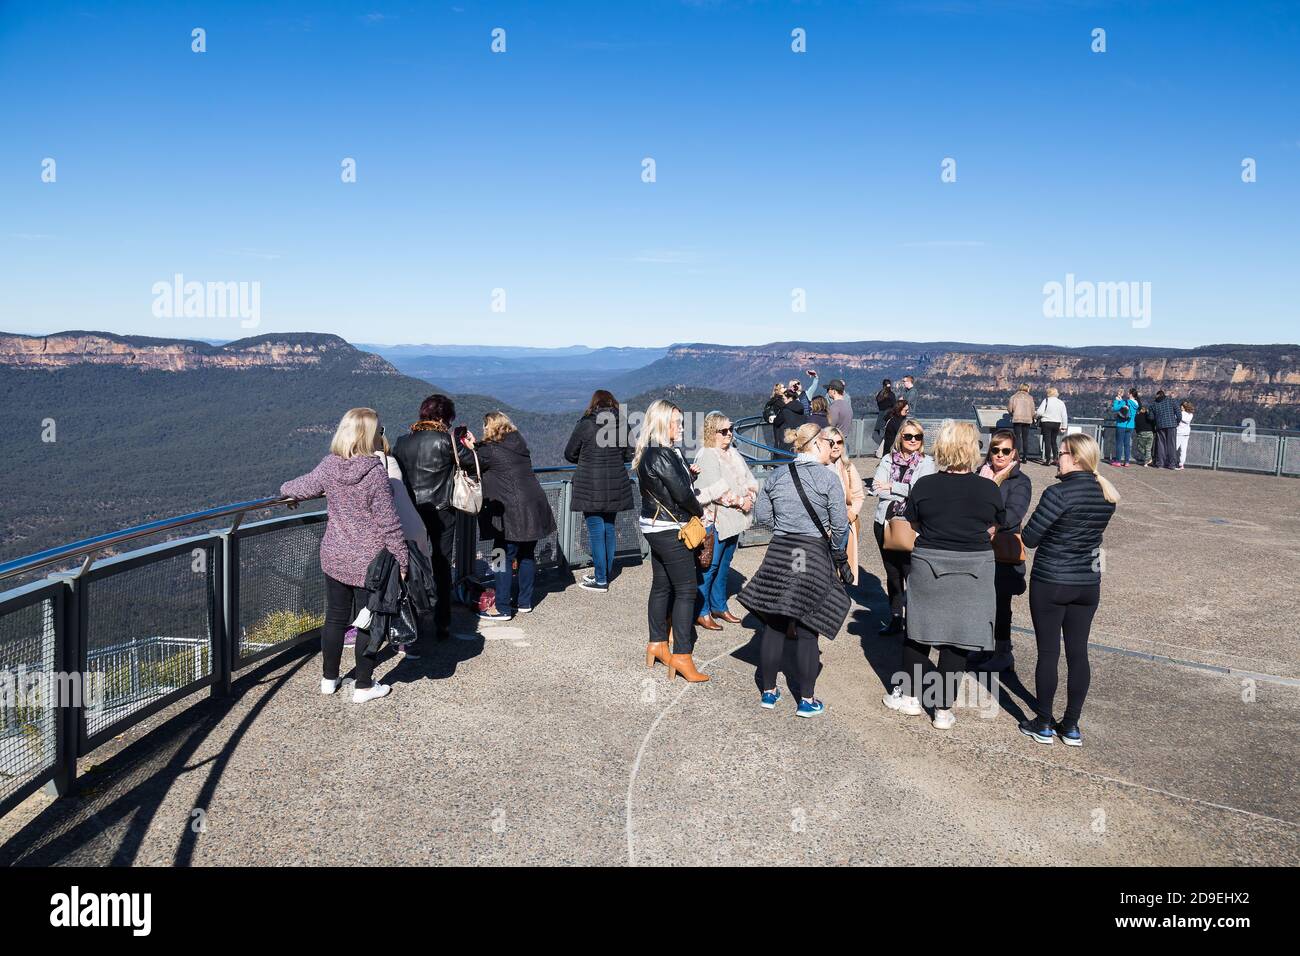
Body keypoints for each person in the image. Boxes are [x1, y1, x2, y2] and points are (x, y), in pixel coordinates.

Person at [281, 408, 409, 704]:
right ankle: (363, 685)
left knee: (336, 618)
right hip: (370, 562)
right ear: (369, 436)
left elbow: (301, 486)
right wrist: (402, 560)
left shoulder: (329, 466)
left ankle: (329, 679)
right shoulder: (375, 473)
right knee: (368, 620)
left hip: (335, 555)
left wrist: (287, 493)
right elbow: (389, 522)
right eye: (379, 431)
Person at [882, 421, 1004, 730]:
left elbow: (914, 523)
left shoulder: (925, 485)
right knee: (957, 639)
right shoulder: (988, 488)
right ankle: (942, 709)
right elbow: (994, 528)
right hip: (974, 568)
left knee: (918, 631)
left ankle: (910, 697)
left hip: (929, 564)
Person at [739, 422, 850, 717]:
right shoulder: (828, 480)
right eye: (829, 443)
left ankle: (769, 693)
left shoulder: (776, 476)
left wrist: (786, 528)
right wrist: (839, 555)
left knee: (774, 625)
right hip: (811, 553)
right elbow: (840, 526)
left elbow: (762, 516)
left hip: (780, 552)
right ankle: (806, 699)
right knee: (807, 628)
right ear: (815, 444)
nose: (833, 449)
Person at [1017, 434, 1119, 747]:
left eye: (1061, 453)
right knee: (1078, 653)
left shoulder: (1057, 493)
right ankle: (1071, 725)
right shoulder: (1105, 495)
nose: (1057, 458)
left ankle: (1044, 722)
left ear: (1074, 457)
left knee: (1049, 652)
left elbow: (1031, 538)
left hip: (1052, 580)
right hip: (1087, 584)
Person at [635, 400, 710, 682]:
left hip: (654, 525)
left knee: (662, 585)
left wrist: (686, 475)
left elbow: (669, 486)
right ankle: (682, 655)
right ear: (661, 423)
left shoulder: (652, 453)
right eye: (675, 422)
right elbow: (681, 495)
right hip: (670, 527)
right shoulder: (663, 454)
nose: (680, 427)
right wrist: (701, 513)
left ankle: (656, 644)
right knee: (687, 589)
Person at [392, 393, 474, 641]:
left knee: (410, 564)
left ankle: (412, 620)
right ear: (444, 417)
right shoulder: (448, 442)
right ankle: (442, 622)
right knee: (441, 564)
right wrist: (469, 444)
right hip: (441, 511)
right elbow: (472, 464)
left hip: (410, 511)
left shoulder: (401, 441)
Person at [462, 412, 557, 621]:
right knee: (526, 555)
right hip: (534, 506)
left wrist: (469, 447)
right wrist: (477, 447)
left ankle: (502, 607)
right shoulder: (518, 443)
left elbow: (471, 462)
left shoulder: (490, 450)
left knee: (500, 556)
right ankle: (524, 602)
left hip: (511, 513)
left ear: (489, 427)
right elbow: (491, 458)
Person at [969, 429, 1031, 672]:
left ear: (1013, 452)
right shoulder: (978, 475)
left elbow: (1014, 514)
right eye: (995, 450)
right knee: (978, 601)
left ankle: (1003, 651)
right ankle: (982, 646)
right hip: (977, 548)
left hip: (1002, 551)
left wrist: (988, 523)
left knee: (1001, 604)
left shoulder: (1020, 481)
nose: (1000, 455)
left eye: (1005, 450)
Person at [693, 412, 759, 629]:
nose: (729, 434)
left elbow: (750, 479)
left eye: (730, 429)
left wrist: (750, 497)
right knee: (709, 566)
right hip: (717, 521)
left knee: (724, 565)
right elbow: (714, 490)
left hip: (735, 521)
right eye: (723, 431)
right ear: (712, 432)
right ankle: (702, 611)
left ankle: (719, 606)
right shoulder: (707, 455)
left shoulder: (733, 453)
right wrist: (742, 502)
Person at [564, 390, 635, 592]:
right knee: (609, 528)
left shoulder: (585, 424)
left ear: (594, 404)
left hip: (590, 485)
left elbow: (569, 453)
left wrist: (587, 458)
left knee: (596, 531)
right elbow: (629, 452)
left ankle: (601, 579)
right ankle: (604, 573)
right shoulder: (621, 423)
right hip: (615, 484)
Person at [869, 418, 934, 635]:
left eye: (918, 437)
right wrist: (903, 488)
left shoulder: (927, 463)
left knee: (911, 573)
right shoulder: (888, 459)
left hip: (912, 525)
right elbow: (877, 488)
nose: (913, 440)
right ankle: (896, 617)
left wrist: (893, 485)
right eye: (908, 436)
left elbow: (921, 492)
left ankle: (916, 623)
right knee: (892, 573)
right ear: (900, 438)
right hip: (885, 523)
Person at [376, 433, 431, 657]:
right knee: (407, 584)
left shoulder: (368, 465)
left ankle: (397, 634)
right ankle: (406, 637)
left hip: (394, 530)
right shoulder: (391, 461)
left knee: (390, 583)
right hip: (413, 526)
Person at [824, 426, 865, 586]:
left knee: (834, 564)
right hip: (821, 526)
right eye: (831, 442)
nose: (835, 446)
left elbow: (858, 495)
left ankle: (832, 599)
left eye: (839, 442)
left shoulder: (848, 468)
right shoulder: (817, 467)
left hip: (841, 525)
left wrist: (851, 514)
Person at [1036, 387, 1068, 466]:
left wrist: (1036, 417)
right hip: (1057, 423)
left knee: (1047, 441)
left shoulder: (1046, 401)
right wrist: (1064, 425)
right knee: (1053, 441)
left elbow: (1039, 412)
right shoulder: (1061, 402)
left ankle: (1047, 460)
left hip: (1046, 422)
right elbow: (1064, 415)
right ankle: (1055, 458)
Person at [773, 388, 809, 453]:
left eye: (784, 399)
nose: (783, 401)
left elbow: (776, 422)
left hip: (785, 446)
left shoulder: (784, 411)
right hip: (798, 446)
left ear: (790, 398)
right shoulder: (802, 411)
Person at [1151, 389, 1179, 469]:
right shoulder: (1171, 401)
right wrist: (1176, 422)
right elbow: (1178, 413)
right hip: (1171, 425)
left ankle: (1160, 464)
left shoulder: (1154, 404)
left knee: (1161, 445)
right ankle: (1172, 464)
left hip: (1160, 426)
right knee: (1171, 445)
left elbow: (1151, 417)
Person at [1109, 388, 1138, 466]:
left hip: (1121, 425)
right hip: (1131, 426)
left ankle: (1118, 461)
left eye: (1128, 393)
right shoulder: (1136, 404)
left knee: (1119, 443)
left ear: (1131, 394)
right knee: (1127, 444)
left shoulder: (1125, 402)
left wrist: (1117, 400)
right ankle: (1127, 462)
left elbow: (1115, 408)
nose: (1127, 394)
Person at [1007, 384, 1036, 459]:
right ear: (1027, 389)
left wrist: (1012, 414)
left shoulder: (1014, 397)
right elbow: (1033, 410)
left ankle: (1017, 456)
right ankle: (1025, 457)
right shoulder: (1030, 398)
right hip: (1027, 420)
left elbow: (1010, 409)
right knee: (1025, 438)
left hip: (1017, 419)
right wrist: (1033, 417)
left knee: (1017, 437)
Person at [1132, 390, 1156, 467]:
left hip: (1141, 433)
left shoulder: (1137, 416)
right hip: (1150, 433)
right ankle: (1148, 460)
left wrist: (1137, 431)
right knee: (1148, 448)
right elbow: (1153, 423)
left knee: (1140, 447)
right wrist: (1153, 431)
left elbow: (1136, 425)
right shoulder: (1149, 416)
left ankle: (1147, 460)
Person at [872, 379, 895, 456]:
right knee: (887, 435)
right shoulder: (891, 395)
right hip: (888, 416)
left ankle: (881, 449)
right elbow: (894, 405)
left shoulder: (880, 395)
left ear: (883, 385)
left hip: (880, 416)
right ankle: (884, 449)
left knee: (876, 434)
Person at [762, 383, 786, 454]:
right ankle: (778, 459)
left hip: (776, 424)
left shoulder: (774, 400)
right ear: (779, 390)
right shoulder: (779, 401)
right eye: (783, 387)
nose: (785, 388)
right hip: (780, 424)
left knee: (777, 441)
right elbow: (786, 409)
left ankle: (776, 458)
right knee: (780, 442)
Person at [1176, 400, 1195, 469]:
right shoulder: (1190, 415)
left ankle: (1170, 461)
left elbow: (1177, 418)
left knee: (1174, 447)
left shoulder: (1180, 414)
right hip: (1186, 433)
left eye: (1181, 406)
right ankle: (1181, 464)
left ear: (1184, 407)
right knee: (1183, 450)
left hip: (1179, 432)